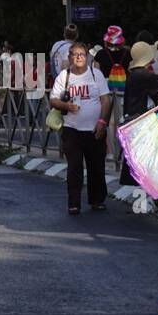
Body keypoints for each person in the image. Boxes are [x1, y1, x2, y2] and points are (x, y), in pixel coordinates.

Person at [49, 40, 112, 214]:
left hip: (94, 130)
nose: (78, 58)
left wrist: (102, 122)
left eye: (82, 55)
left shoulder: (95, 74)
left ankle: (97, 200)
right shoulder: (64, 76)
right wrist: (66, 106)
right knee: (74, 167)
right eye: (75, 55)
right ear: (69, 57)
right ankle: (74, 203)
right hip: (72, 129)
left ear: (87, 57)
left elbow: (106, 99)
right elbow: (53, 99)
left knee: (96, 167)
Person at [118, 41, 158, 187]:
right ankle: (150, 197)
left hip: (133, 121)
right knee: (146, 161)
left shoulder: (134, 74)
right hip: (144, 123)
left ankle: (142, 197)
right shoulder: (145, 75)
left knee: (136, 160)